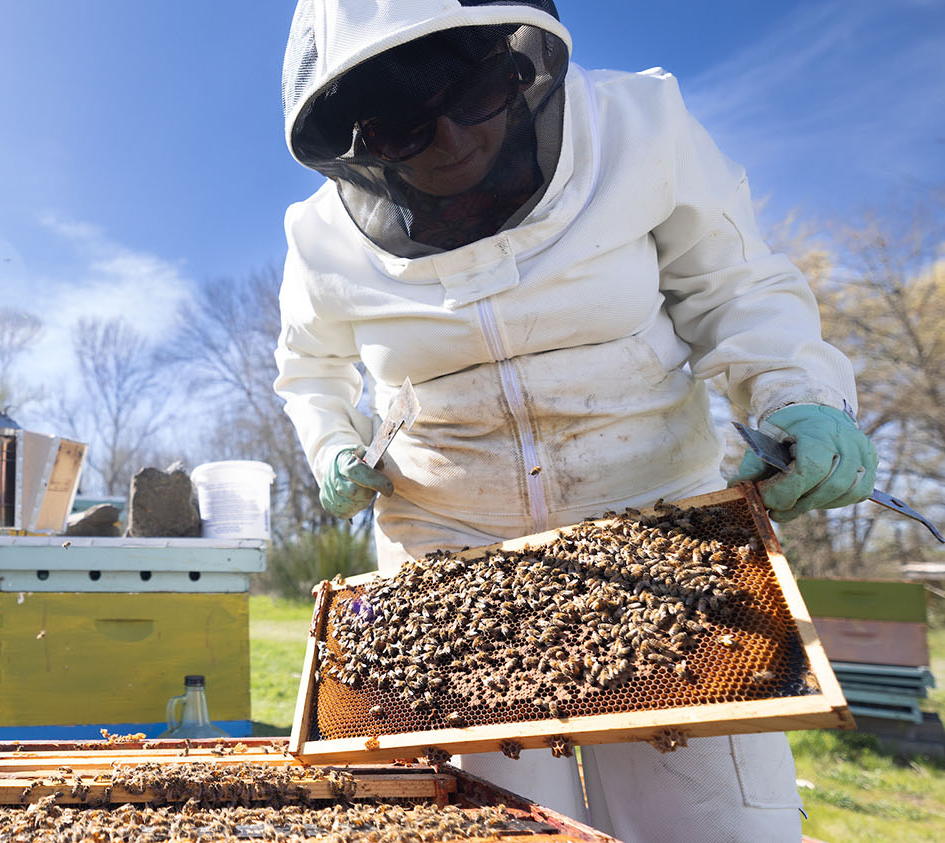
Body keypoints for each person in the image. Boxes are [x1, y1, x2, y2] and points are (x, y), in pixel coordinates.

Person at [272, 2, 877, 841]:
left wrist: (796, 391)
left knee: (718, 819)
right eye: (402, 125)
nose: (449, 140)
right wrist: (333, 440)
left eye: (475, 91)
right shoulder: (317, 237)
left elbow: (735, 286)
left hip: (661, 519)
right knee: (497, 821)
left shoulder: (638, 125)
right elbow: (310, 371)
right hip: (449, 548)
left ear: (520, 66)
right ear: (355, 142)